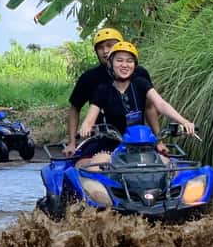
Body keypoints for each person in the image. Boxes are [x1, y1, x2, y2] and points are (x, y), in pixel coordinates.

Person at [76, 41, 195, 169]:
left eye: (129, 61)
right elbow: (90, 119)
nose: (125, 65)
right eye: (119, 60)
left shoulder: (141, 83)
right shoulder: (103, 90)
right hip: (111, 147)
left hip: (141, 147)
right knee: (93, 170)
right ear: (110, 63)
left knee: (170, 169)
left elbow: (160, 104)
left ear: (135, 65)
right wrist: (86, 127)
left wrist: (184, 121)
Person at [65, 28, 166, 156]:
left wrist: (159, 141)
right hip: (104, 140)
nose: (106, 51)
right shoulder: (89, 78)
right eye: (101, 47)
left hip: (137, 140)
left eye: (110, 45)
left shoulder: (140, 75)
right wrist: (72, 143)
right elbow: (75, 108)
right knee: (91, 162)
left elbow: (150, 107)